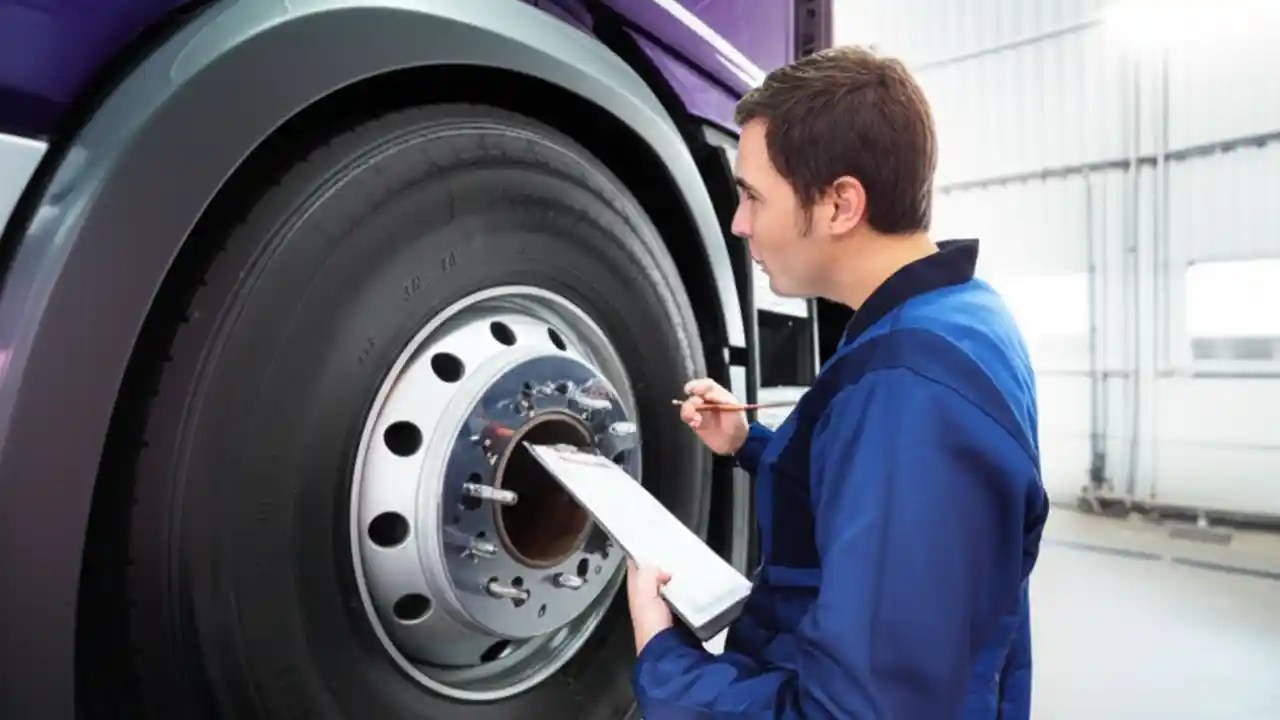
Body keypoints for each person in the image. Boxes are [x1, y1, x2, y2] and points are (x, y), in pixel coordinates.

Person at [624, 45, 1050, 719]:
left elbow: (856, 712)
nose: (739, 225)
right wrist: (752, 444)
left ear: (840, 204)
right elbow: (877, 498)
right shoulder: (954, 312)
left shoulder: (911, 397)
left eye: (754, 197)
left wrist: (665, 661)